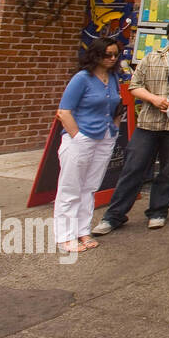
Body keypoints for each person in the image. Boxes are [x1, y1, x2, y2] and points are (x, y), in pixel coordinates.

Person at [93, 17, 169, 234]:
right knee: (133, 168)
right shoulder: (152, 58)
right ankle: (114, 216)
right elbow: (135, 86)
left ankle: (158, 211)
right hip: (149, 123)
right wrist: (154, 99)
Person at [54, 38, 124, 252]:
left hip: (104, 137)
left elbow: (117, 106)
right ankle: (65, 236)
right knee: (70, 187)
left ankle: (82, 230)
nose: (112, 58)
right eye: (107, 55)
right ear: (96, 55)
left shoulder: (112, 77)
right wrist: (78, 136)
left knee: (90, 187)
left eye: (115, 55)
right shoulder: (82, 78)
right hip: (82, 137)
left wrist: (114, 128)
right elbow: (64, 111)